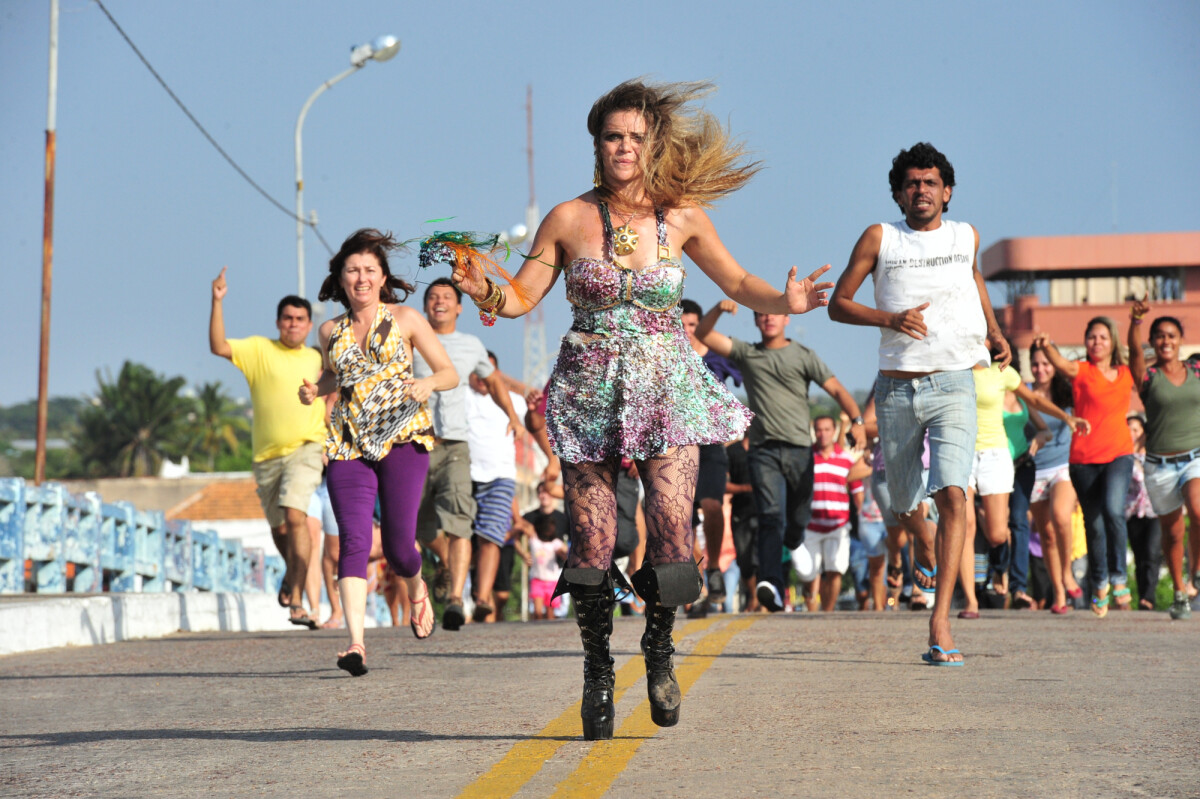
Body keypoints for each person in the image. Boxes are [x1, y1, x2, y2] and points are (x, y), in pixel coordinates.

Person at [444, 79, 832, 739]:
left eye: (634, 136)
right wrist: (478, 281)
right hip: (589, 391)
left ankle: (658, 649)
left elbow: (736, 281)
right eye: (612, 136)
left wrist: (784, 302)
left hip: (668, 389)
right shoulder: (567, 218)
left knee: (673, 531)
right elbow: (519, 297)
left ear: (650, 142)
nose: (624, 147)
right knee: (594, 543)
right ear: (596, 144)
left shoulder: (680, 215)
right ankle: (598, 668)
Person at [829, 142, 1011, 666]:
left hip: (956, 382)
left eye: (931, 182)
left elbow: (973, 278)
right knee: (903, 501)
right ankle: (926, 552)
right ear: (898, 193)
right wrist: (889, 318)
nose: (922, 190)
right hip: (896, 389)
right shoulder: (880, 237)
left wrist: (996, 332)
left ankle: (940, 623)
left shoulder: (965, 236)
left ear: (947, 191)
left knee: (954, 493)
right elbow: (839, 305)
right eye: (912, 183)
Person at [299, 228, 459, 676]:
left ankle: (416, 585)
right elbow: (338, 377)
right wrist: (317, 388)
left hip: (403, 439)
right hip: (349, 442)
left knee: (398, 545)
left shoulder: (407, 319)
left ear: (382, 276)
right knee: (352, 540)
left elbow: (449, 374)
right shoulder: (329, 329)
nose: (361, 278)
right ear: (341, 279)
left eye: (370, 270)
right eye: (352, 270)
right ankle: (355, 643)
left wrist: (426, 383)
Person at [695, 301, 865, 614]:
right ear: (757, 320)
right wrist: (718, 309)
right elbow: (704, 333)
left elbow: (838, 390)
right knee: (770, 516)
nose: (768, 317)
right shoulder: (747, 353)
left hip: (800, 450)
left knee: (798, 517)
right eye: (762, 312)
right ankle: (771, 583)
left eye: (774, 312)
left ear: (787, 318)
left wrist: (857, 422)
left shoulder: (803, 355)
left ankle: (795, 535)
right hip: (763, 452)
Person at [209, 269, 326, 629]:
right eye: (287, 319)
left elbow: (338, 393)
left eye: (300, 319)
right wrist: (217, 301)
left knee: (297, 517)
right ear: (279, 322)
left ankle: (299, 602)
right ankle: (292, 576)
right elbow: (219, 347)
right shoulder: (259, 349)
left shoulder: (320, 359)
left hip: (307, 448)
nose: (293, 324)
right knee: (280, 529)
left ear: (309, 325)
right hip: (266, 458)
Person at [413, 277, 526, 631]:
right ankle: (446, 562)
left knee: (460, 520)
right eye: (432, 297)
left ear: (459, 307)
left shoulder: (471, 344)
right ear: (424, 306)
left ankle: (454, 600)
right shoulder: (409, 340)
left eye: (446, 297)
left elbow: (492, 380)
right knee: (415, 525)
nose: (439, 302)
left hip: (456, 447)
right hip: (414, 444)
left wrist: (511, 414)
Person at [1033, 316, 1134, 617]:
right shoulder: (1081, 370)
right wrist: (1046, 345)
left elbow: (1142, 356)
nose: (1097, 342)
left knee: (1114, 511)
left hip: (1119, 454)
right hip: (1082, 460)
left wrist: (1137, 322)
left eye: (1103, 337)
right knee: (1094, 523)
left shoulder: (1126, 373)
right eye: (1092, 337)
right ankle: (1099, 582)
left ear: (1113, 341)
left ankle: (1117, 578)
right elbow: (1059, 362)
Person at [1128, 300, 1200, 620]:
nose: (1165, 341)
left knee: (1198, 511)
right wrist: (1136, 321)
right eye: (1159, 336)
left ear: (1181, 339)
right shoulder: (1149, 376)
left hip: (1194, 459)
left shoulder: (1197, 370)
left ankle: (1196, 573)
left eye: (1171, 335)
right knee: (1172, 534)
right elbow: (1132, 355)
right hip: (1159, 466)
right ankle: (1180, 591)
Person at [680, 298, 743, 607]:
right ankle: (697, 575)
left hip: (711, 445)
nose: (687, 331)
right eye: (681, 325)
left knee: (712, 506)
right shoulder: (664, 360)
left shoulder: (716, 357)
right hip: (675, 448)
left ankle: (716, 566)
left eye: (692, 325)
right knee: (681, 521)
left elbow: (751, 373)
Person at [466, 351, 528, 623]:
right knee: (462, 538)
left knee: (491, 537)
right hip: (463, 475)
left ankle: (482, 598)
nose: (482, 377)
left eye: (488, 371)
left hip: (501, 478)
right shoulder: (461, 396)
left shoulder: (513, 401)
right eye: (477, 370)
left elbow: (536, 400)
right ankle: (462, 583)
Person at [1027, 340, 1085, 612]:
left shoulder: (1068, 393)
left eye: (1045, 364)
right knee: (1046, 536)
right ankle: (1059, 595)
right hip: (1035, 471)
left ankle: (1067, 573)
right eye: (1035, 364)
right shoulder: (1025, 394)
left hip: (1063, 466)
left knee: (1062, 516)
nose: (1040, 369)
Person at [791, 415, 871, 611]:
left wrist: (861, 512)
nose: (823, 434)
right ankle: (811, 607)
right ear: (814, 431)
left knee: (835, 569)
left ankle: (826, 612)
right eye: (819, 430)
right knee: (809, 573)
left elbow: (856, 490)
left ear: (834, 431)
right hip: (811, 525)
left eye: (827, 429)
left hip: (838, 525)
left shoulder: (845, 459)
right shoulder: (806, 458)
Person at [1125, 412, 1162, 611]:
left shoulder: (1154, 455)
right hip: (1132, 512)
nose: (1131, 433)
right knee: (1140, 556)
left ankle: (1149, 596)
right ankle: (1143, 597)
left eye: (1136, 430)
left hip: (1154, 510)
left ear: (1144, 433)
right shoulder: (1122, 458)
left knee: (1152, 552)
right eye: (1128, 429)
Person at [528, 514, 569, 620]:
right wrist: (523, 554)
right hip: (537, 579)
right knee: (537, 612)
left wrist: (564, 554)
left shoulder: (555, 542)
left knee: (550, 612)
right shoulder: (534, 540)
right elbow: (525, 527)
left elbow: (564, 551)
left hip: (552, 581)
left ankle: (547, 634)